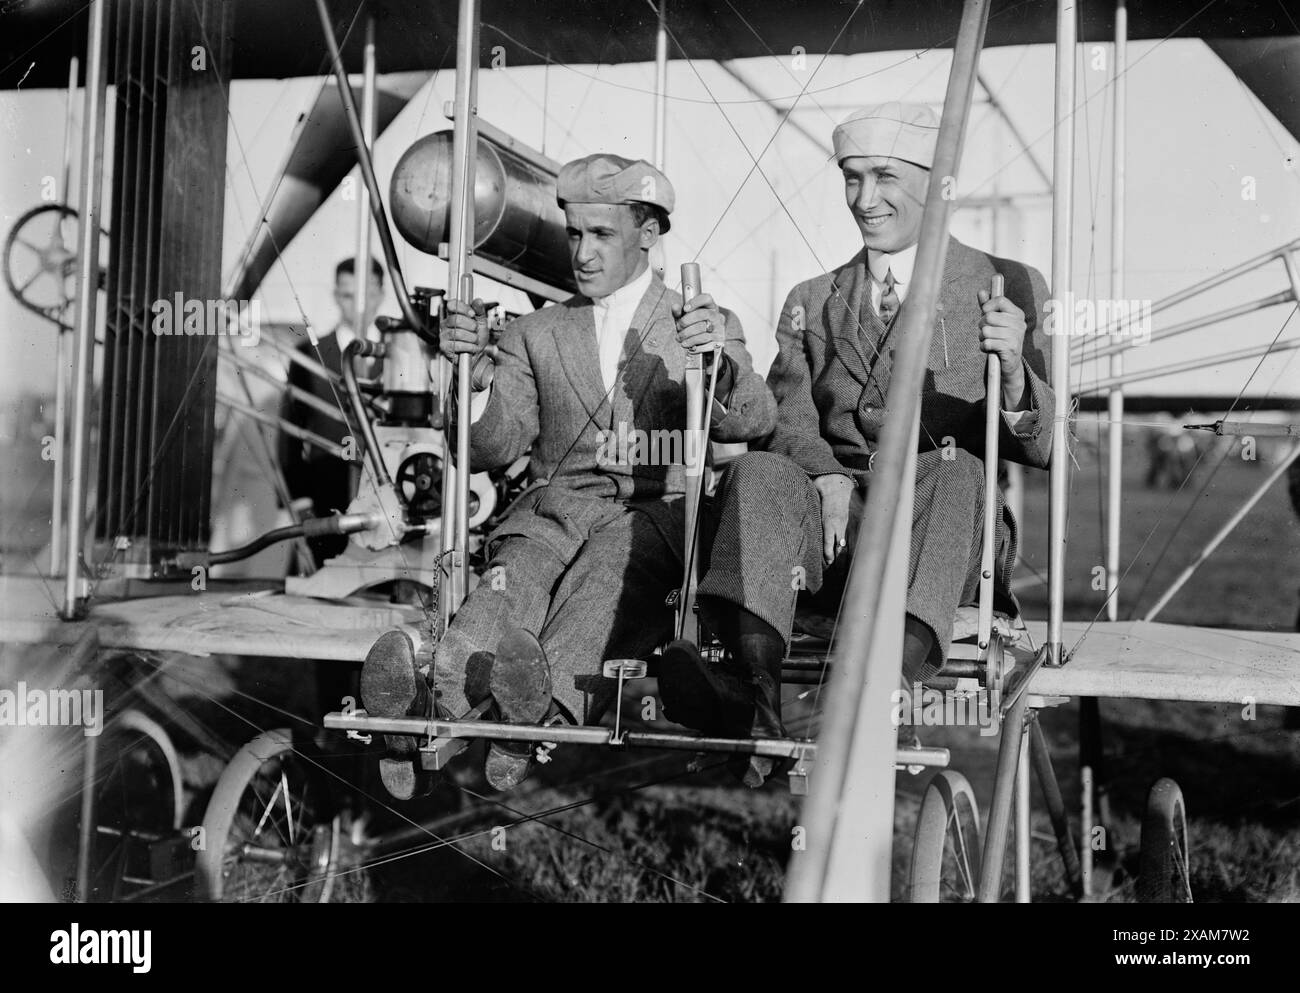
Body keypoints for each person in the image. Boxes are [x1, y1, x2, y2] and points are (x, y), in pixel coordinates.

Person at [657, 102, 1057, 786]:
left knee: (955, 468)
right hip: (834, 541)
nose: (865, 199)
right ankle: (753, 700)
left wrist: (1017, 372)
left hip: (941, 536)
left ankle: (884, 689)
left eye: (884, 177)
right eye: (852, 178)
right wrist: (824, 475)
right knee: (758, 471)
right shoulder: (812, 299)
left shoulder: (1005, 286)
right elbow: (787, 417)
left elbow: (1043, 445)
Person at [359, 153, 777, 798]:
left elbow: (754, 420)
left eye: (602, 234)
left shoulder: (699, 325)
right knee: (509, 586)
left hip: (652, 520)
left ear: (648, 233)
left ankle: (536, 709)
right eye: (575, 233)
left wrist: (716, 367)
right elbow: (493, 447)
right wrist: (473, 382)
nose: (582, 253)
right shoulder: (536, 332)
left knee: (604, 579)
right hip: (550, 513)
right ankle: (426, 706)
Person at [278, 257, 385, 567]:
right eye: (349, 296)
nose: (359, 306)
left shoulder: (402, 357)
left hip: (386, 499)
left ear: (382, 294)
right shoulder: (308, 354)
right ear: (336, 296)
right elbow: (289, 433)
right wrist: (299, 498)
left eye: (367, 295)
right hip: (325, 498)